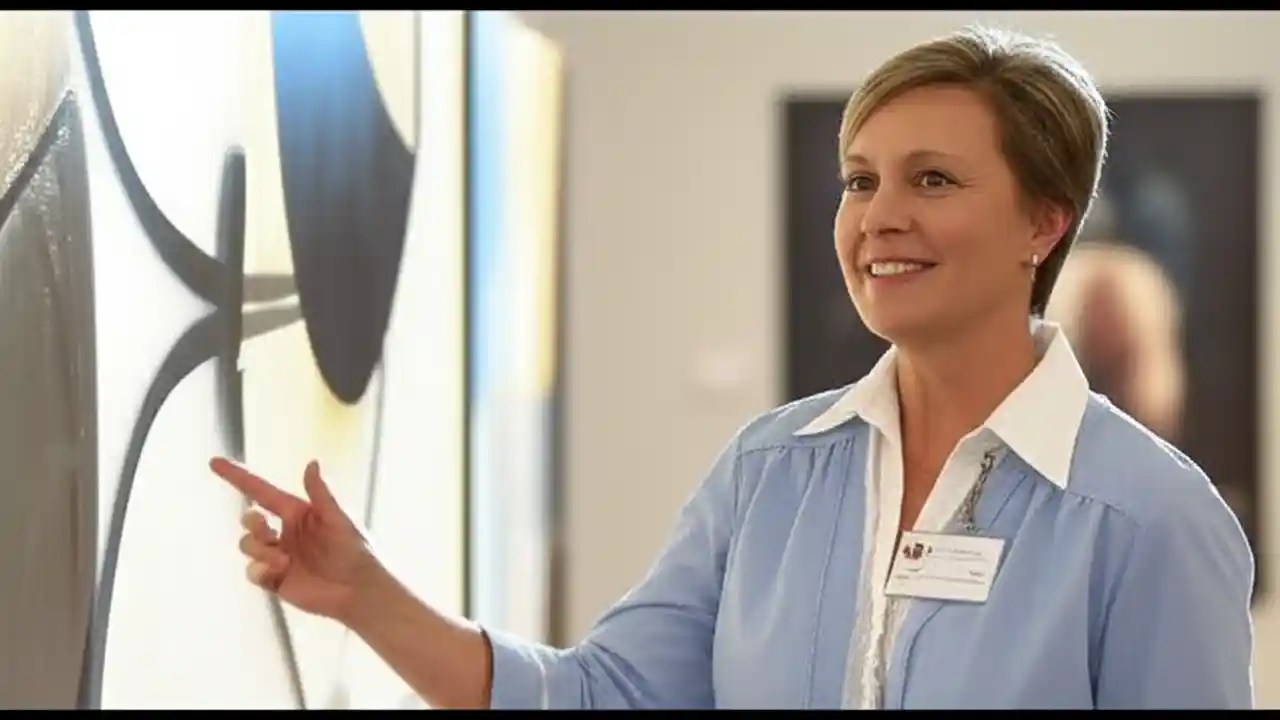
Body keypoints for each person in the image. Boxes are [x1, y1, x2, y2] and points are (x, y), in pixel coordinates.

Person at [209, 23, 1255, 709]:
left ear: (1042, 220)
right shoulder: (769, 471)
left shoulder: (1146, 519)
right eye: (858, 180)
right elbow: (606, 697)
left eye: (930, 180)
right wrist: (365, 596)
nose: (878, 215)